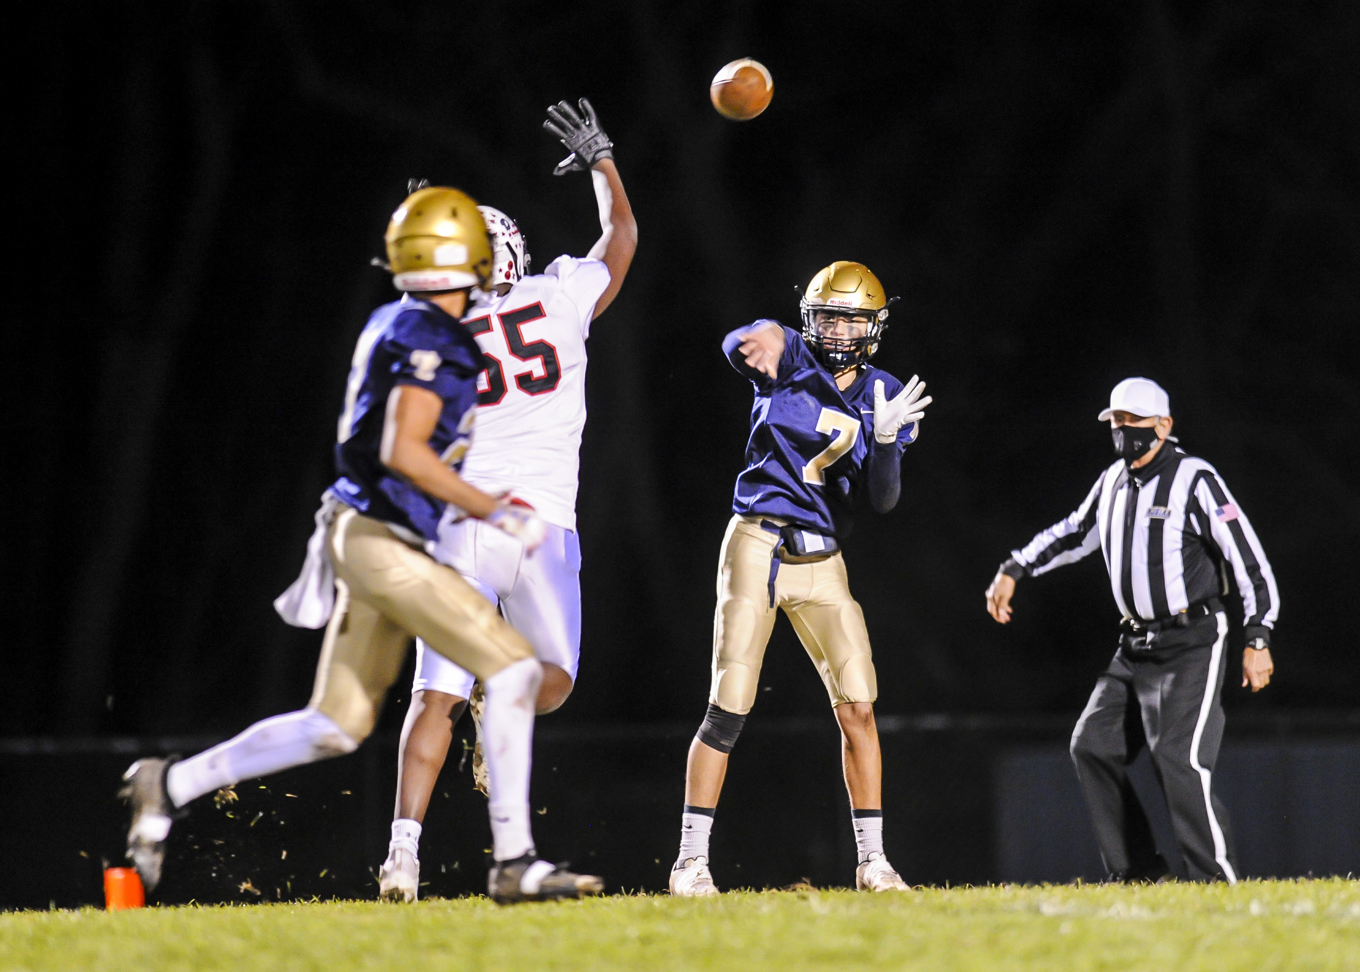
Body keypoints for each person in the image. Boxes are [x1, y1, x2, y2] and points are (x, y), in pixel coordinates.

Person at [120, 184, 603, 904]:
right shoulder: (433, 335)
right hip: (389, 540)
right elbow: (406, 452)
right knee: (511, 673)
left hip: (368, 532)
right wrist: (490, 506)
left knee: (337, 723)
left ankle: (170, 783)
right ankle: (513, 862)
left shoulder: (399, 320)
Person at [377, 98, 637, 903]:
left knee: (434, 698)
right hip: (541, 526)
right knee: (550, 683)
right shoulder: (559, 299)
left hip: (462, 525)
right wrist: (602, 161)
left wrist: (419, 222)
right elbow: (620, 237)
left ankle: (401, 859)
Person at [667, 261, 931, 896]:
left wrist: (889, 440)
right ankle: (690, 862)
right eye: (828, 316)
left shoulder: (884, 391)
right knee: (729, 702)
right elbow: (746, 341)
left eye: (850, 318)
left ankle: (873, 862)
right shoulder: (791, 356)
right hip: (758, 541)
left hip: (824, 559)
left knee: (860, 706)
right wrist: (757, 337)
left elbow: (884, 500)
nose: (837, 329)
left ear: (873, 325)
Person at [984, 377, 1279, 883]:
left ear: (1164, 426)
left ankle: (1216, 884)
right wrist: (1016, 567)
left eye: (1134, 421)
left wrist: (1259, 636)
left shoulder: (1195, 479)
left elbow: (1250, 562)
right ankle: (1140, 873)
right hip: (1135, 645)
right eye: (1116, 421)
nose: (1123, 431)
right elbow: (1074, 533)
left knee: (1180, 759)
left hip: (1194, 641)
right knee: (1091, 745)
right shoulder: (1113, 482)